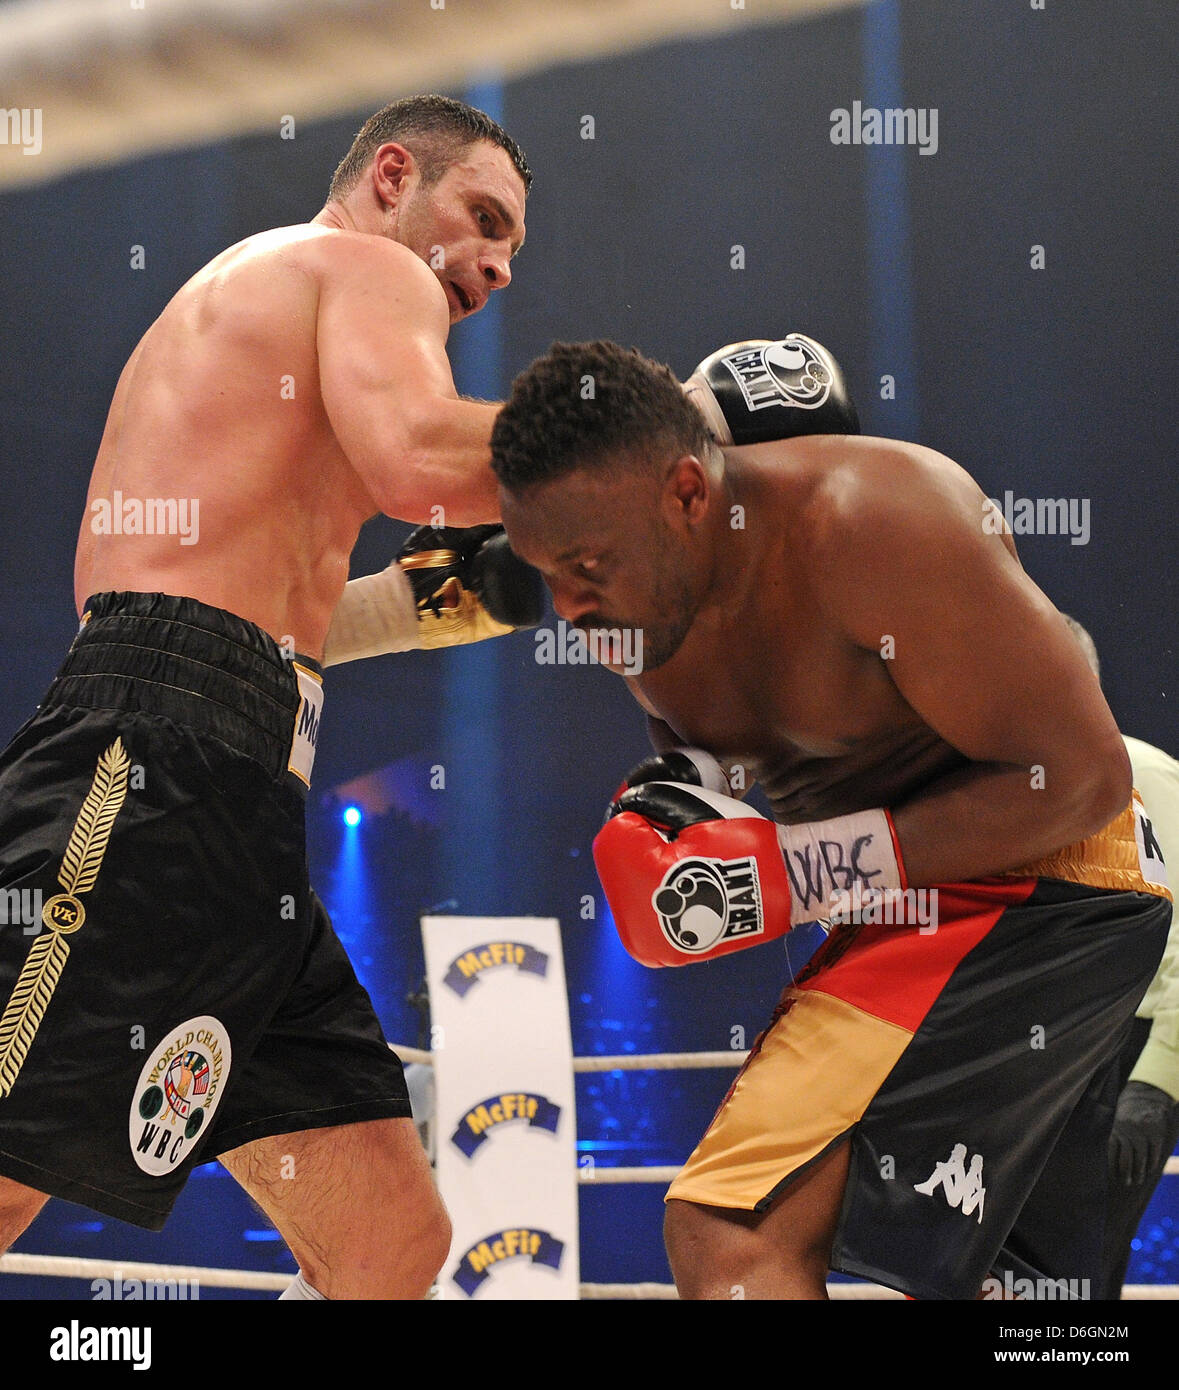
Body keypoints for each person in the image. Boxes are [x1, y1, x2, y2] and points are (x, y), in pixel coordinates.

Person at [488, 338, 1173, 1301]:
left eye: (587, 563)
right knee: (1025, 1303)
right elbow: (732, 767)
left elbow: (1082, 780)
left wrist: (791, 876)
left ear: (687, 492)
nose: (566, 605)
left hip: (1028, 886)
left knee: (732, 1231)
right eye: (545, 570)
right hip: (937, 910)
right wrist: (672, 815)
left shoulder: (877, 521)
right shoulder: (639, 611)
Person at [0, 93, 533, 1301]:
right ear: (394, 174)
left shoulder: (274, 298)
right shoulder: (361, 266)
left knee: (392, 1245)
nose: (496, 266)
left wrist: (417, 603)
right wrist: (652, 436)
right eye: (482, 218)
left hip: (238, 790)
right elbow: (420, 459)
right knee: (8, 1167)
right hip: (154, 760)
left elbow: (269, 618)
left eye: (512, 249)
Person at [1061, 616, 1179, 1299]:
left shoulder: (1155, 780)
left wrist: (1154, 1086)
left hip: (1125, 1054)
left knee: (1074, 1277)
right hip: (1031, 1054)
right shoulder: (1004, 794)